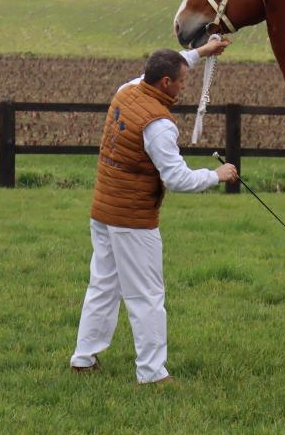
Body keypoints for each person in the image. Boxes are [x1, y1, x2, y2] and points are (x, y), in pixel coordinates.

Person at [69, 41, 238, 385]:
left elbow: (176, 63)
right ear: (165, 84)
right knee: (147, 296)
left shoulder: (128, 89)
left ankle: (83, 359)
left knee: (103, 285)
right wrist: (216, 176)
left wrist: (203, 51)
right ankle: (151, 372)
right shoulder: (159, 125)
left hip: (103, 208)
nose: (184, 86)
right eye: (181, 82)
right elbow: (176, 179)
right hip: (132, 219)